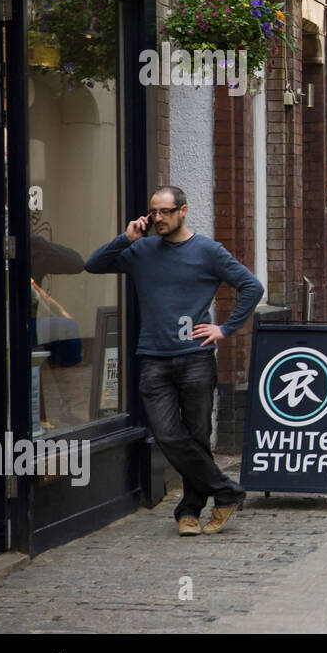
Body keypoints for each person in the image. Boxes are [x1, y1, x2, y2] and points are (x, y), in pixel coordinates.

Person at [85, 185, 263, 537]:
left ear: (183, 210)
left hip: (196, 358)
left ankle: (190, 511)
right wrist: (126, 237)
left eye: (166, 211)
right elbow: (92, 265)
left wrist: (224, 329)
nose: (158, 218)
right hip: (153, 357)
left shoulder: (208, 251)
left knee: (197, 436)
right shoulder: (142, 250)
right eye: (154, 211)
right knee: (167, 434)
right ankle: (227, 492)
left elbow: (251, 287)